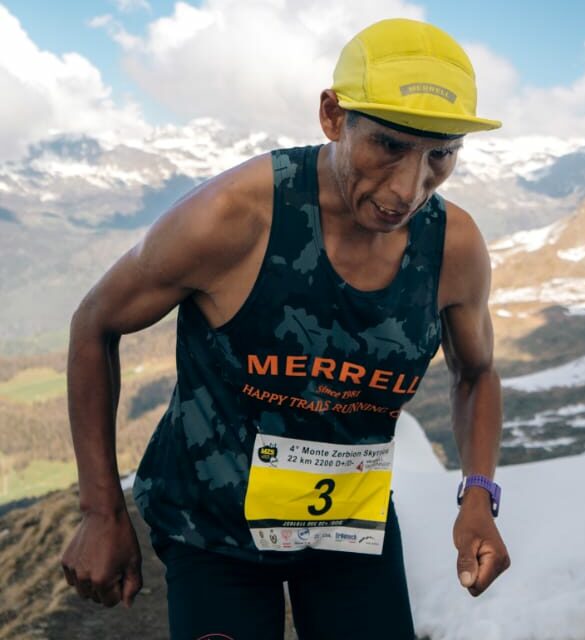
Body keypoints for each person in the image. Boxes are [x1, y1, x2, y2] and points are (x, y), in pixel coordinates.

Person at [59, 17, 509, 639]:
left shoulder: (451, 248)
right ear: (332, 116)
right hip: (211, 526)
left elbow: (477, 371)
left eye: (441, 154)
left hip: (347, 523)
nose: (410, 187)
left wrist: (479, 493)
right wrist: (101, 507)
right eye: (388, 145)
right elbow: (95, 323)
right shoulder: (234, 216)